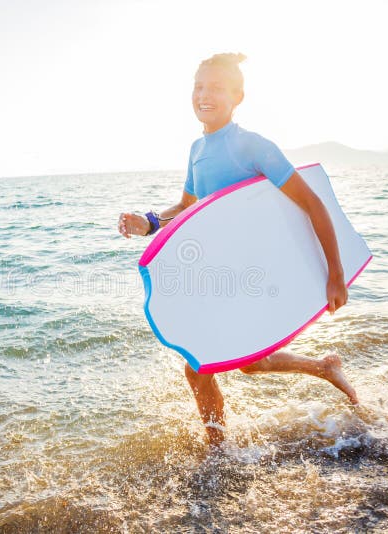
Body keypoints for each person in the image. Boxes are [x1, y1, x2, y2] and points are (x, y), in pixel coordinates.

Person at [117, 53, 358, 446]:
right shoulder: (197, 149)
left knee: (200, 365)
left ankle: (217, 451)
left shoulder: (253, 146)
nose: (204, 95)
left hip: (253, 270)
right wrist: (150, 222)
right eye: (198, 87)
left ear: (237, 97)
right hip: (222, 272)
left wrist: (336, 273)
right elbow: (187, 207)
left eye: (215, 88)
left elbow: (312, 204)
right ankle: (324, 368)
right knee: (244, 362)